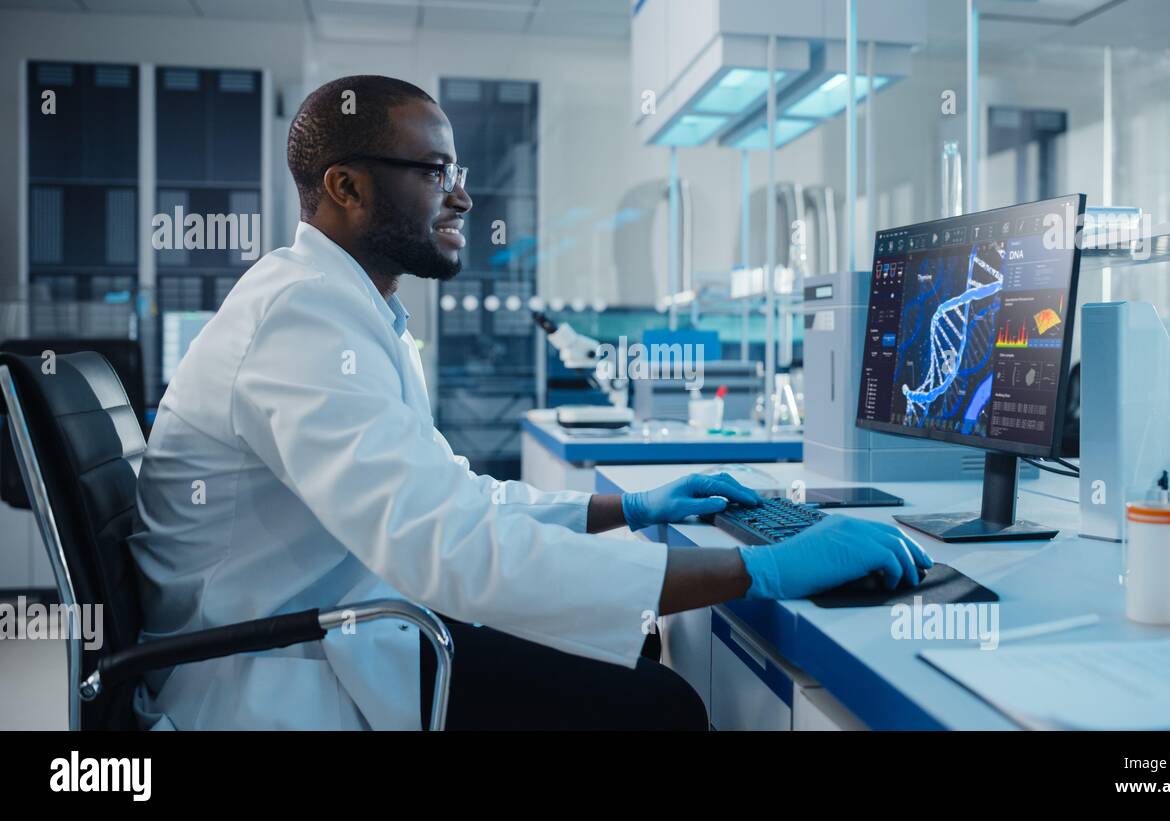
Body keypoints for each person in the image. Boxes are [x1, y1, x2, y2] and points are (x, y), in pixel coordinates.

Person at [128, 75, 931, 730]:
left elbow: (456, 500)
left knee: (634, 667)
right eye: (435, 171)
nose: (463, 198)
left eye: (458, 173)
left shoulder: (347, 308)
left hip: (354, 630)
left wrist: (627, 507)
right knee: (661, 710)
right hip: (272, 678)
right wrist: (755, 568)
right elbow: (450, 547)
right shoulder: (300, 318)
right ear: (346, 186)